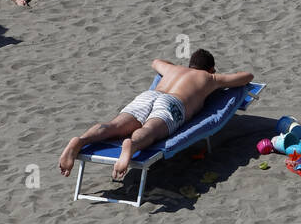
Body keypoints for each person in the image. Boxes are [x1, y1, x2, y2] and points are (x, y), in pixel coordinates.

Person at [57, 50, 254, 182]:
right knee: (150, 131)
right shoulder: (210, 78)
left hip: (149, 96)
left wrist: (174, 66)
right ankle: (131, 145)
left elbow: (156, 62)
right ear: (210, 68)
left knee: (115, 125)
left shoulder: (172, 69)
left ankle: (81, 140)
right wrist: (216, 77)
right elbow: (246, 77)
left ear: (189, 64)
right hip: (173, 104)